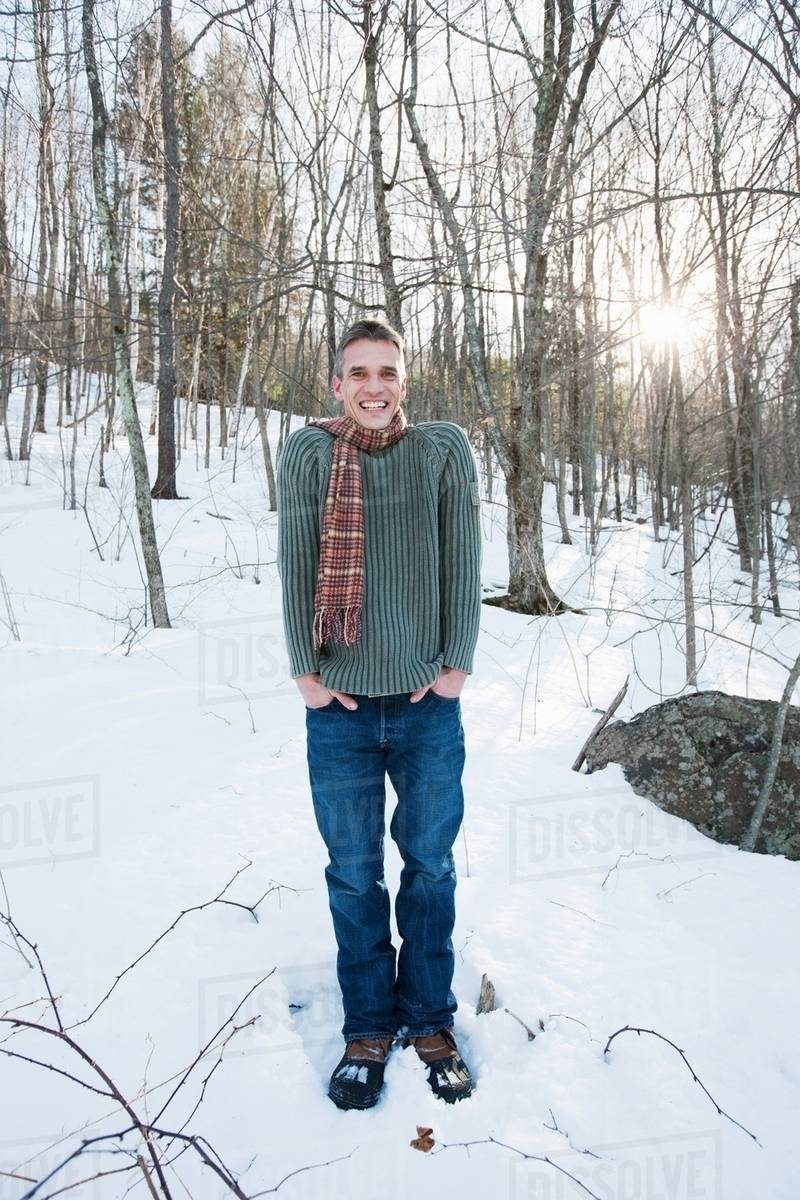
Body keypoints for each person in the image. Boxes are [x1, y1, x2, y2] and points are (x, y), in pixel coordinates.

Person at [276, 318, 482, 1110]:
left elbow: (463, 556)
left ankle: (429, 1019)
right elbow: (295, 559)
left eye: (386, 372)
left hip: (428, 706)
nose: (373, 386)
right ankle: (367, 1025)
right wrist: (306, 671)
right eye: (357, 372)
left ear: (405, 380)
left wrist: (456, 665)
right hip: (342, 710)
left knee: (428, 868)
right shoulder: (308, 452)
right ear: (336, 382)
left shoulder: (440, 450)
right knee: (354, 874)